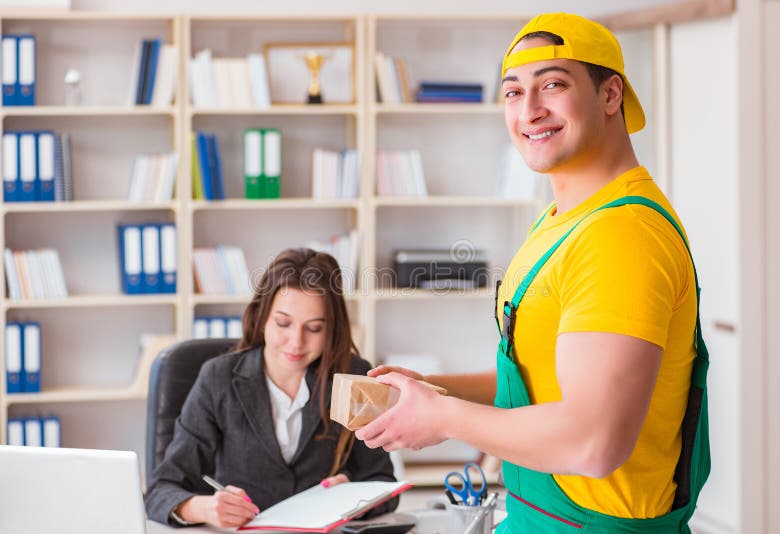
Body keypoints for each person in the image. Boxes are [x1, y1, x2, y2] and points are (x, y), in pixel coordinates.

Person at [355, 12, 710, 533]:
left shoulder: (619, 235)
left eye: (553, 85)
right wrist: (431, 390)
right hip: (539, 517)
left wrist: (441, 419)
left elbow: (594, 442)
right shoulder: (561, 221)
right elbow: (540, 383)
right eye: (513, 92)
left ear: (611, 96)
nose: (530, 110)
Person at [146, 248, 398, 528]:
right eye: (283, 323)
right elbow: (160, 491)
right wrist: (202, 508)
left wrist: (353, 498)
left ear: (331, 330)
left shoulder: (353, 375)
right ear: (262, 317)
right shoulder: (218, 378)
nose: (296, 342)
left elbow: (384, 485)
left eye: (313, 328)